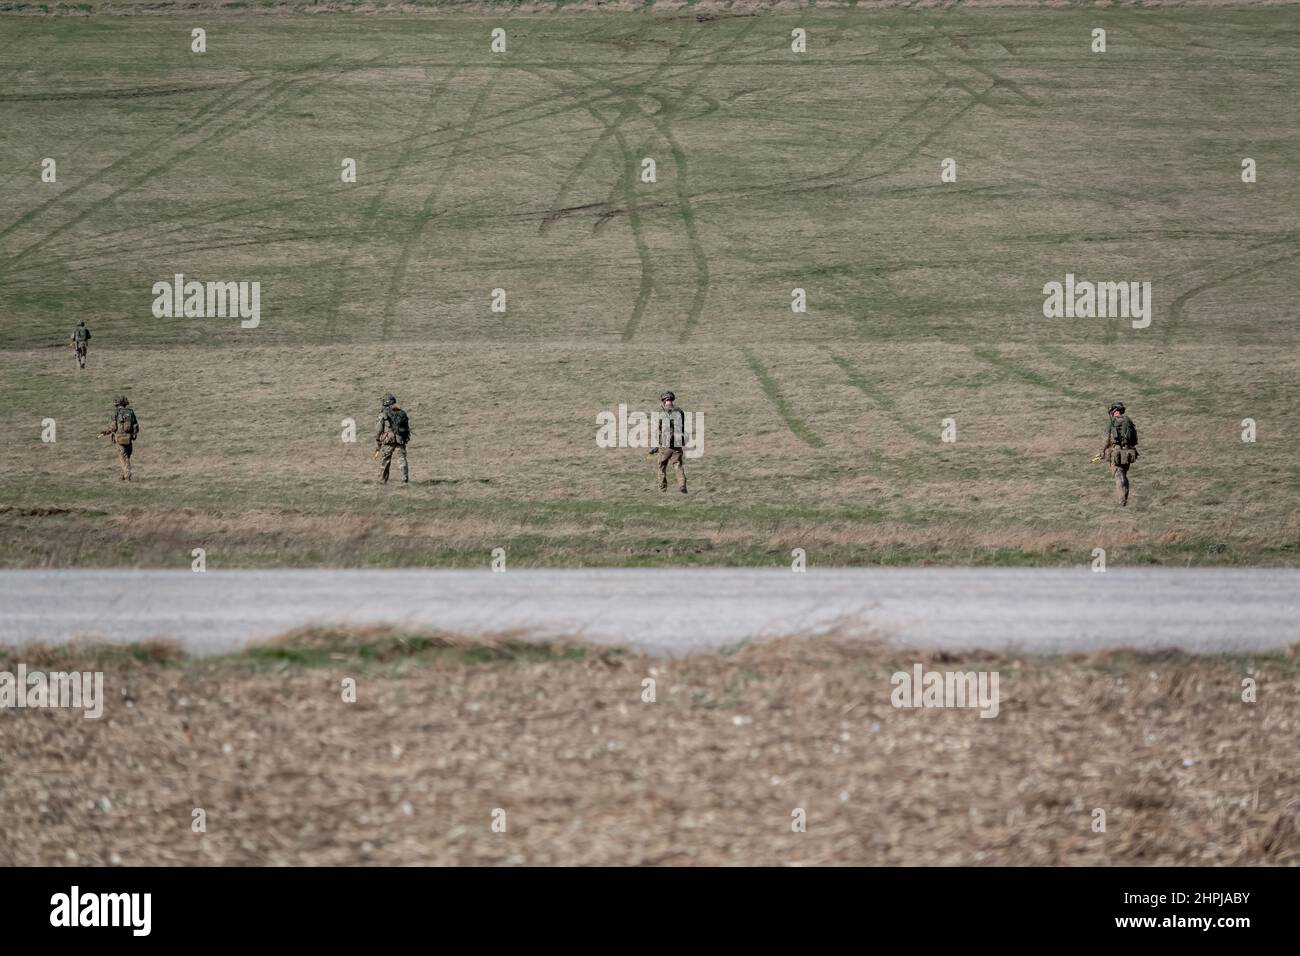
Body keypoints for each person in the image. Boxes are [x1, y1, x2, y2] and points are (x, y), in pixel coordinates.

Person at [1097, 401, 1138, 506]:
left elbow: (1106, 440)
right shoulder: (1128, 421)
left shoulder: (1111, 422)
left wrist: (1102, 451)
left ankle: (1121, 500)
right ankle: (1125, 497)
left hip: (1116, 452)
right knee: (1124, 474)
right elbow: (1134, 439)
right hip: (1128, 452)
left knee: (1118, 474)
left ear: (1114, 411)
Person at [652, 390, 687, 494]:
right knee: (678, 465)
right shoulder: (680, 411)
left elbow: (658, 429)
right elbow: (682, 427)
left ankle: (662, 489)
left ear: (663, 401)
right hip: (677, 443)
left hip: (665, 445)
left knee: (661, 466)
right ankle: (682, 485)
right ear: (672, 400)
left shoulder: (661, 413)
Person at [374, 392, 410, 484]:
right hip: (400, 439)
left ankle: (382, 480)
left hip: (388, 439)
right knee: (402, 458)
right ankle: (404, 478)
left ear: (386, 402)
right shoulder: (402, 413)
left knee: (386, 459)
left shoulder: (383, 413)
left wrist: (378, 440)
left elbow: (379, 429)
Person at [105, 395, 139, 481]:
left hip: (119, 439)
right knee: (125, 457)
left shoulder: (116, 413)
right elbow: (136, 426)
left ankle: (127, 476)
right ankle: (122, 476)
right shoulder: (130, 412)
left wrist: (106, 432)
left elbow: (113, 428)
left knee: (123, 458)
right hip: (128, 439)